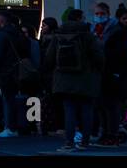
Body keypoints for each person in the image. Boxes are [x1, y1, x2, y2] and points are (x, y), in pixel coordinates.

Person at [44, 8, 103, 151]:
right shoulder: (87, 35)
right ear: (78, 19)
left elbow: (49, 59)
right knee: (86, 110)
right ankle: (85, 142)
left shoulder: (58, 35)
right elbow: (99, 57)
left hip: (64, 79)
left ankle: (68, 142)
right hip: (86, 79)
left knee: (69, 110)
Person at [97, 5, 127, 146]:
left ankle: (110, 133)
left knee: (110, 106)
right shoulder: (109, 30)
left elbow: (115, 53)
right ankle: (109, 133)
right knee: (108, 106)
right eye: (97, 13)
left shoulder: (116, 31)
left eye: (102, 13)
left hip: (113, 73)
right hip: (112, 73)